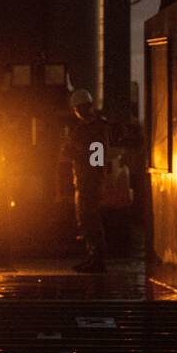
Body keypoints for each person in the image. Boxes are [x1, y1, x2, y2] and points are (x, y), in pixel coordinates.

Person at [63, 88, 109, 273]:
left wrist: (78, 154)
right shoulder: (87, 127)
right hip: (84, 178)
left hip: (89, 180)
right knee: (85, 219)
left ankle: (97, 259)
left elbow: (95, 157)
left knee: (90, 218)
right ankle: (92, 256)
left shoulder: (95, 128)